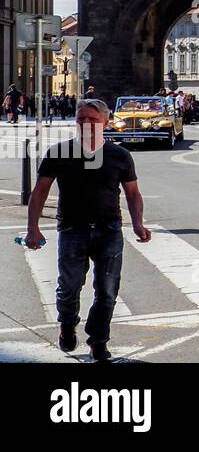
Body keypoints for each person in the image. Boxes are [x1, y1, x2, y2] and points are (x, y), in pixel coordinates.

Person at [24, 99, 151, 362]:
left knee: (107, 290)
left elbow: (133, 193)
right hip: (73, 229)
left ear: (105, 122)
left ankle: (98, 341)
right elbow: (39, 192)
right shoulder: (59, 152)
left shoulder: (119, 156)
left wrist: (138, 222)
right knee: (69, 287)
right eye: (81, 119)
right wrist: (33, 229)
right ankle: (67, 325)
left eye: (93, 120)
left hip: (109, 230)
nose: (86, 124)